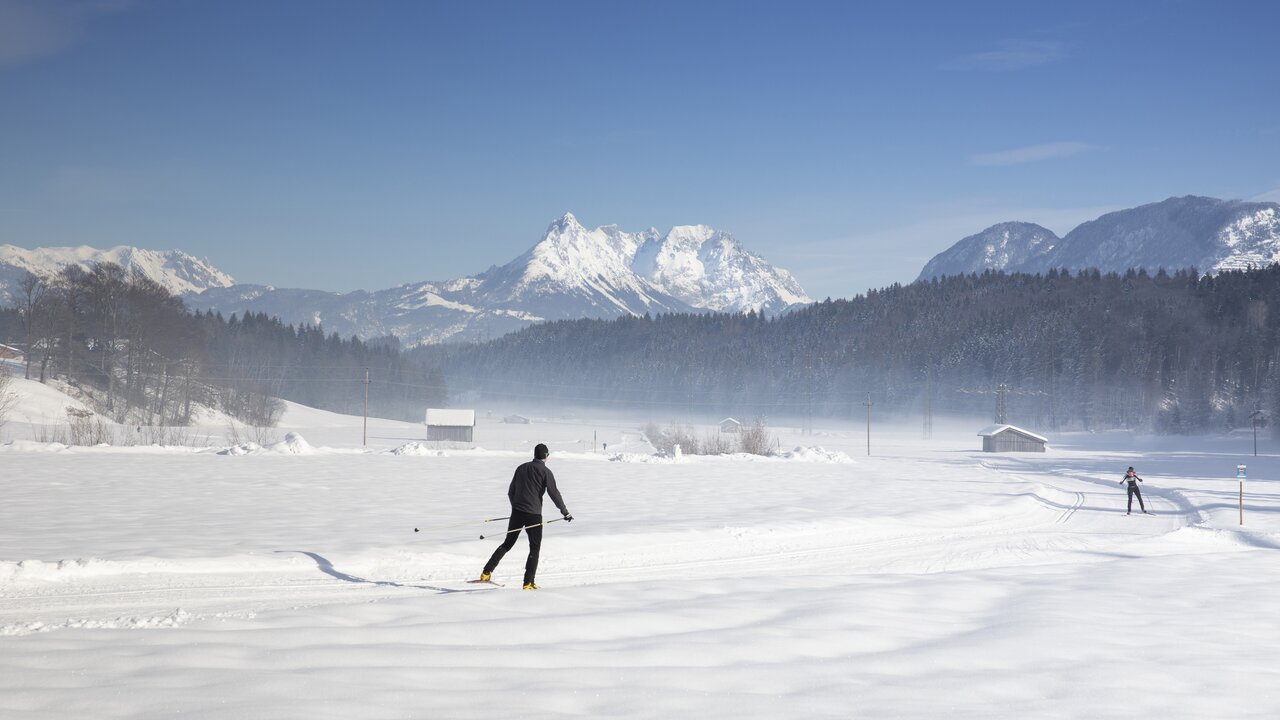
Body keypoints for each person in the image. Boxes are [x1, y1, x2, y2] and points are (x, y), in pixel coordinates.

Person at [479, 443, 572, 589]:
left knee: (507, 543)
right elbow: (554, 493)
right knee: (534, 548)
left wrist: (515, 507)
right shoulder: (546, 472)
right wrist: (565, 512)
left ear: (534, 454)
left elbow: (511, 492)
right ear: (546, 456)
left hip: (517, 512)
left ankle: (486, 572)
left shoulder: (521, 468)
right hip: (533, 515)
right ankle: (528, 582)